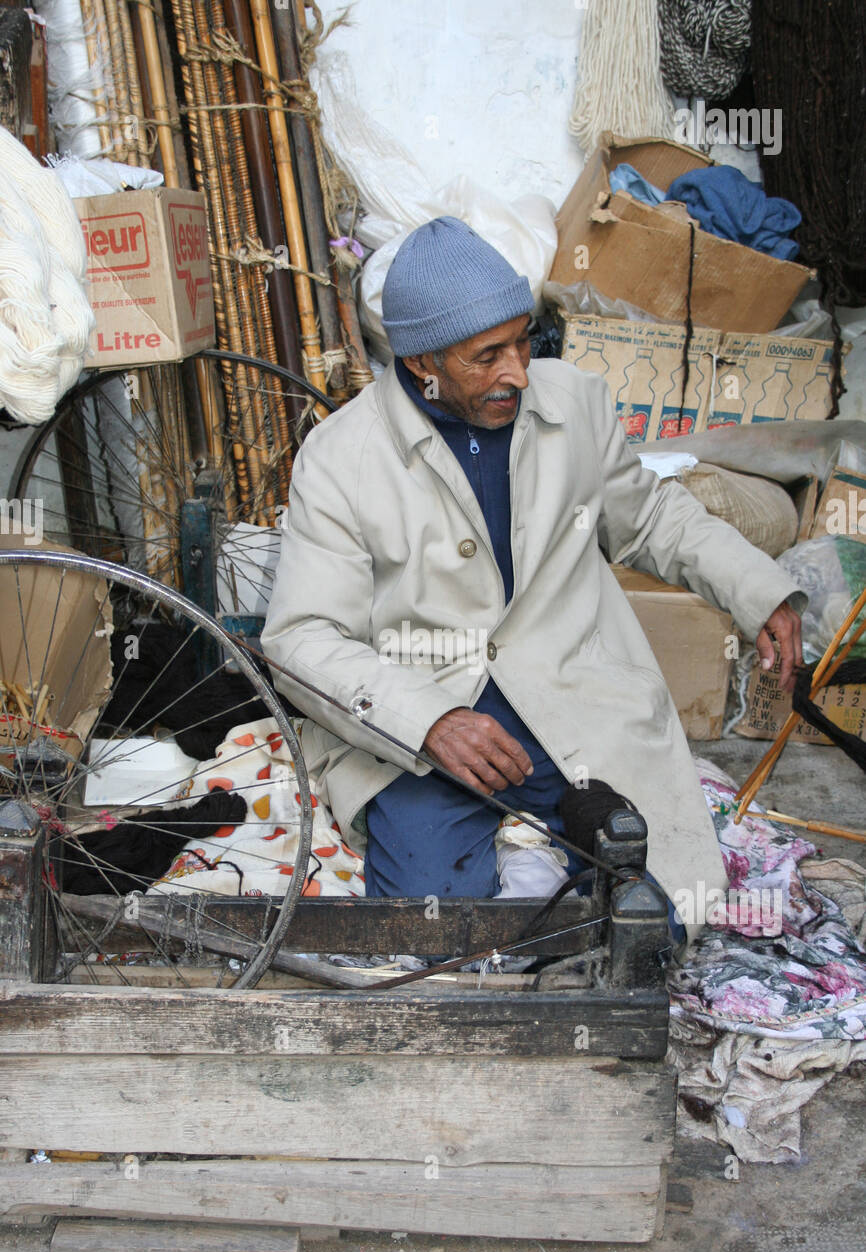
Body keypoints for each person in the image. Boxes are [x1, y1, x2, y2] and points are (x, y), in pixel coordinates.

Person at [261, 216, 804, 939]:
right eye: (487, 356)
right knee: (433, 937)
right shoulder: (340, 458)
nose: (516, 371)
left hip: (568, 696)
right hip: (429, 729)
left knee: (654, 922)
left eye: (524, 343)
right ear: (422, 361)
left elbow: (648, 519)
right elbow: (301, 637)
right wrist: (429, 723)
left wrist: (756, 588)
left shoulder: (571, 401)